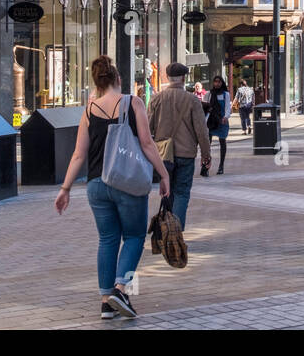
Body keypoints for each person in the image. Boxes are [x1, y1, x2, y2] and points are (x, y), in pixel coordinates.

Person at [56, 56, 170, 321]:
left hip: (96, 185)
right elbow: (147, 144)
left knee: (107, 239)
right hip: (127, 183)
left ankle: (107, 303)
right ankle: (121, 289)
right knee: (133, 237)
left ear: (97, 82)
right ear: (118, 79)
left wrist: (65, 188)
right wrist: (164, 174)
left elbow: (78, 155)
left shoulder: (88, 110)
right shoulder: (133, 102)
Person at [147, 62, 212, 229]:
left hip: (163, 154)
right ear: (184, 78)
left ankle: (166, 229)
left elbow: (148, 127)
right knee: (182, 193)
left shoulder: (156, 99)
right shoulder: (192, 100)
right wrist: (206, 154)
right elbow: (201, 130)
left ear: (167, 78)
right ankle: (176, 231)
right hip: (186, 153)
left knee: (166, 191)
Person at [202, 75, 232, 176]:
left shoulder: (225, 94)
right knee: (207, 144)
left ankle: (221, 166)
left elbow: (228, 107)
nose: (217, 83)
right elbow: (204, 105)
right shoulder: (209, 94)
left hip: (222, 120)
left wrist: (226, 117)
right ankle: (205, 166)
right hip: (211, 121)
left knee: (222, 141)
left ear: (222, 83)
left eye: (219, 82)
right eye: (215, 81)